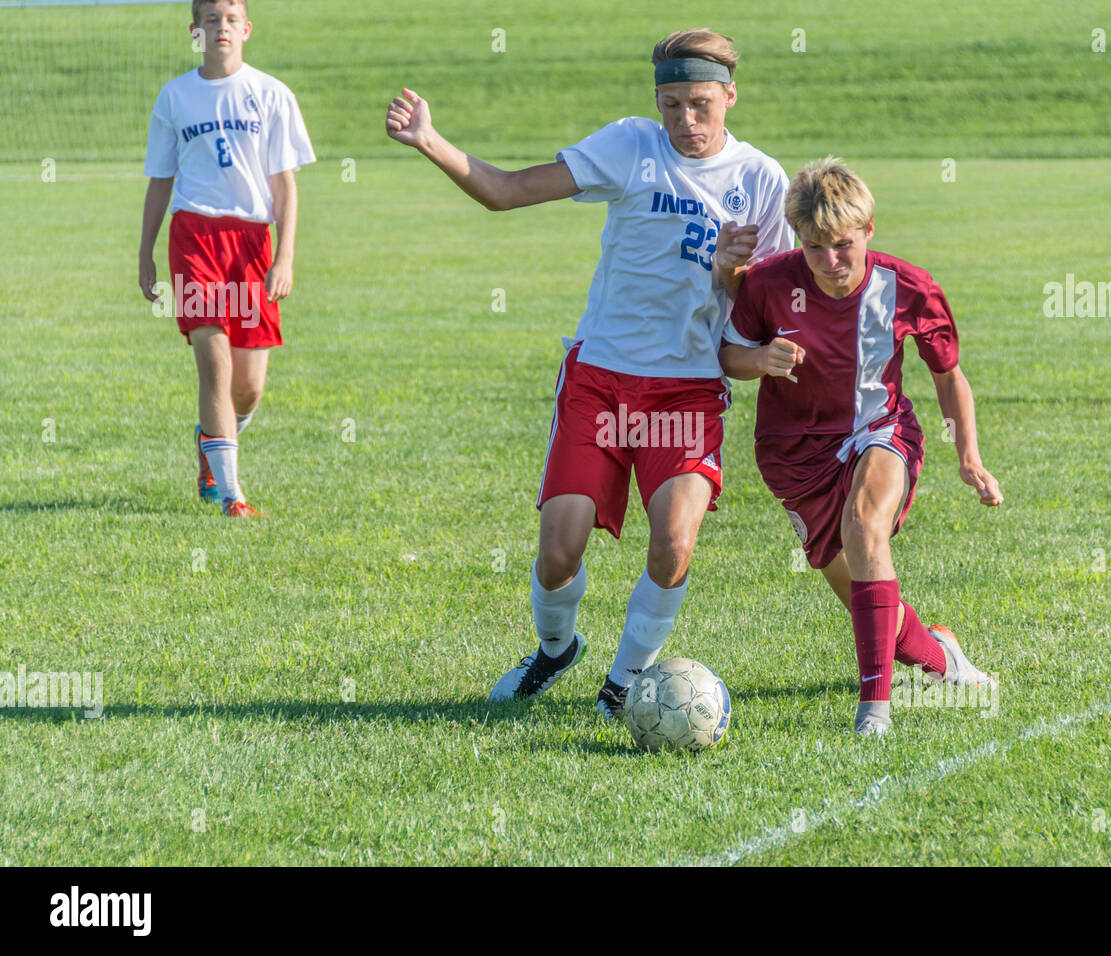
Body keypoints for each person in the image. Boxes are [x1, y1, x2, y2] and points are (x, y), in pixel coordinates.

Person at [386, 30, 794, 717]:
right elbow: (507, 191)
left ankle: (626, 682)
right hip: (600, 376)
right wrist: (431, 140)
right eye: (671, 105)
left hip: (688, 386)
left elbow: (765, 306)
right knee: (559, 552)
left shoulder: (761, 180)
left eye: (700, 104)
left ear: (730, 94)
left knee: (672, 542)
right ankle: (555, 649)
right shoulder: (630, 145)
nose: (685, 122)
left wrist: (732, 273)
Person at [720, 158, 1000, 736]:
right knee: (870, 607)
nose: (830, 262)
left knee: (864, 527)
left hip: (881, 429)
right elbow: (729, 356)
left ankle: (875, 710)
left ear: (869, 229)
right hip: (792, 456)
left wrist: (968, 455)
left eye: (843, 245)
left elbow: (948, 376)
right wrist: (759, 361)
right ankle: (942, 655)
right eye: (815, 247)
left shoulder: (912, 288)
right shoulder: (767, 283)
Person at [139, 0, 315, 516]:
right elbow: (160, 181)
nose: (221, 28)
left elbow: (285, 187)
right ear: (195, 31)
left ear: (247, 29)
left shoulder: (272, 94)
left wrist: (285, 257)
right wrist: (144, 252)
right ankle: (232, 497)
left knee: (248, 386)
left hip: (252, 243)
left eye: (230, 19)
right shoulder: (174, 97)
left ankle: (210, 443)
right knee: (213, 363)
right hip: (194, 235)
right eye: (211, 19)